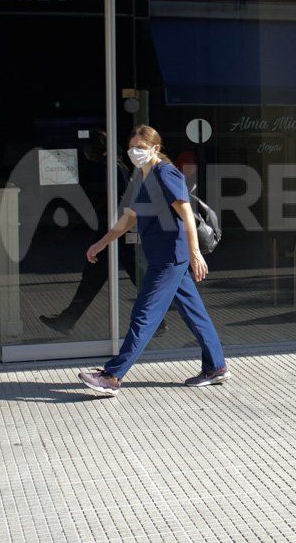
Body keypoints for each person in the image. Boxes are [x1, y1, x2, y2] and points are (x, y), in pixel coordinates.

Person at [79, 125, 229, 395]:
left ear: (155, 149)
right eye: (132, 147)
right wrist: (101, 244)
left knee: (144, 314)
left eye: (140, 147)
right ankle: (216, 367)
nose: (134, 152)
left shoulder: (165, 173)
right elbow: (128, 219)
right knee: (195, 313)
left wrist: (195, 254)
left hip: (170, 258)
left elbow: (186, 214)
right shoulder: (142, 176)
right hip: (168, 257)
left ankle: (112, 376)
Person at [39, 131, 168, 337]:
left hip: (114, 233)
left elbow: (118, 202)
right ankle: (67, 319)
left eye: (90, 147)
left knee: (114, 278)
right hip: (114, 233)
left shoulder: (113, 169)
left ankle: (157, 321)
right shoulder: (116, 167)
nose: (87, 152)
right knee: (97, 278)